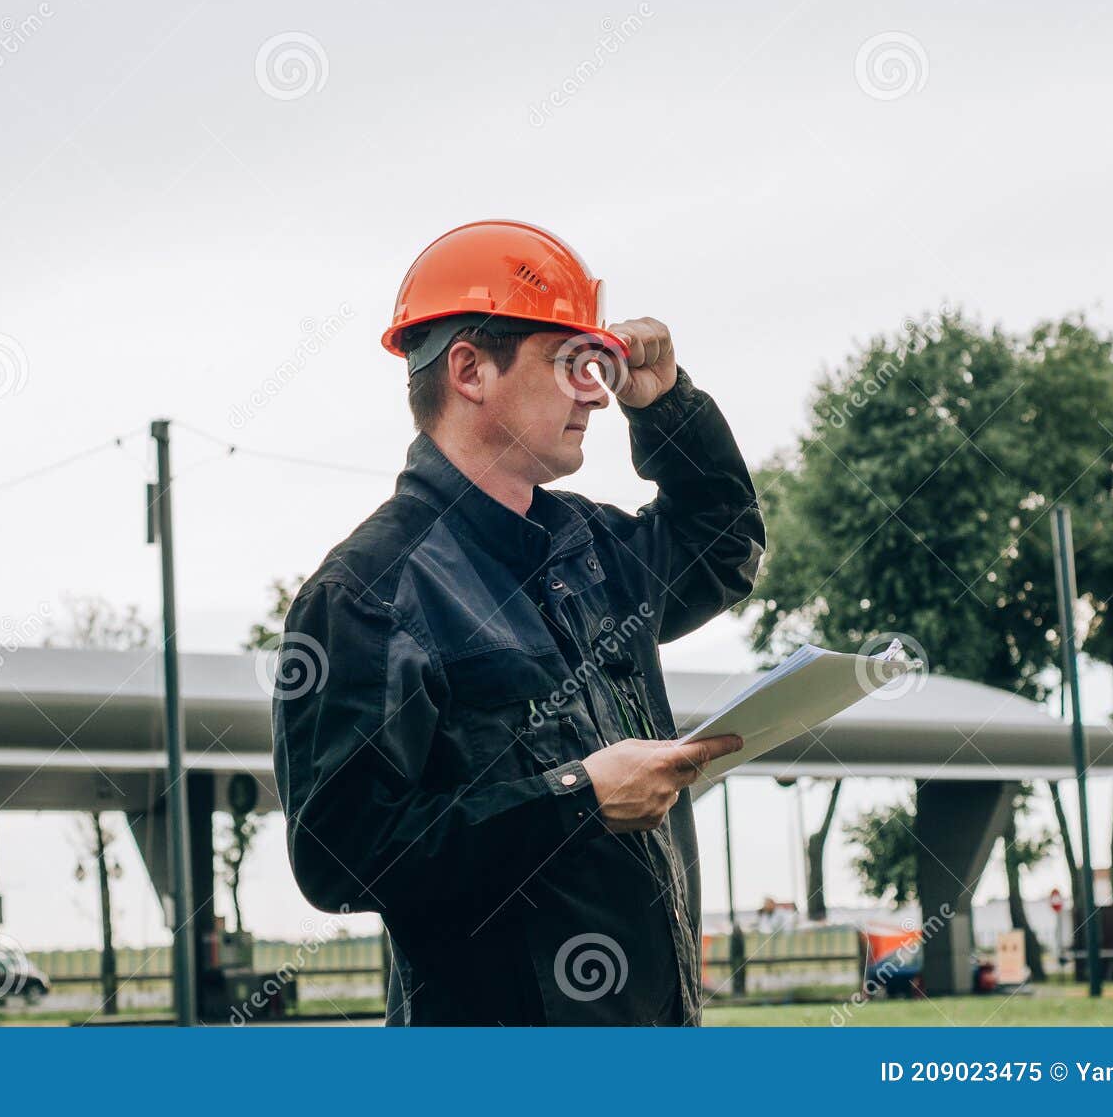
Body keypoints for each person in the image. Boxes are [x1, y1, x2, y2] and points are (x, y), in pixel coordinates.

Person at [271, 220, 765, 1025]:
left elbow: (725, 545)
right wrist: (577, 799)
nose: (595, 391)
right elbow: (339, 856)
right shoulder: (369, 593)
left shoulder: (593, 546)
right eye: (570, 362)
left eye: (598, 364)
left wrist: (668, 406)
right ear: (470, 368)